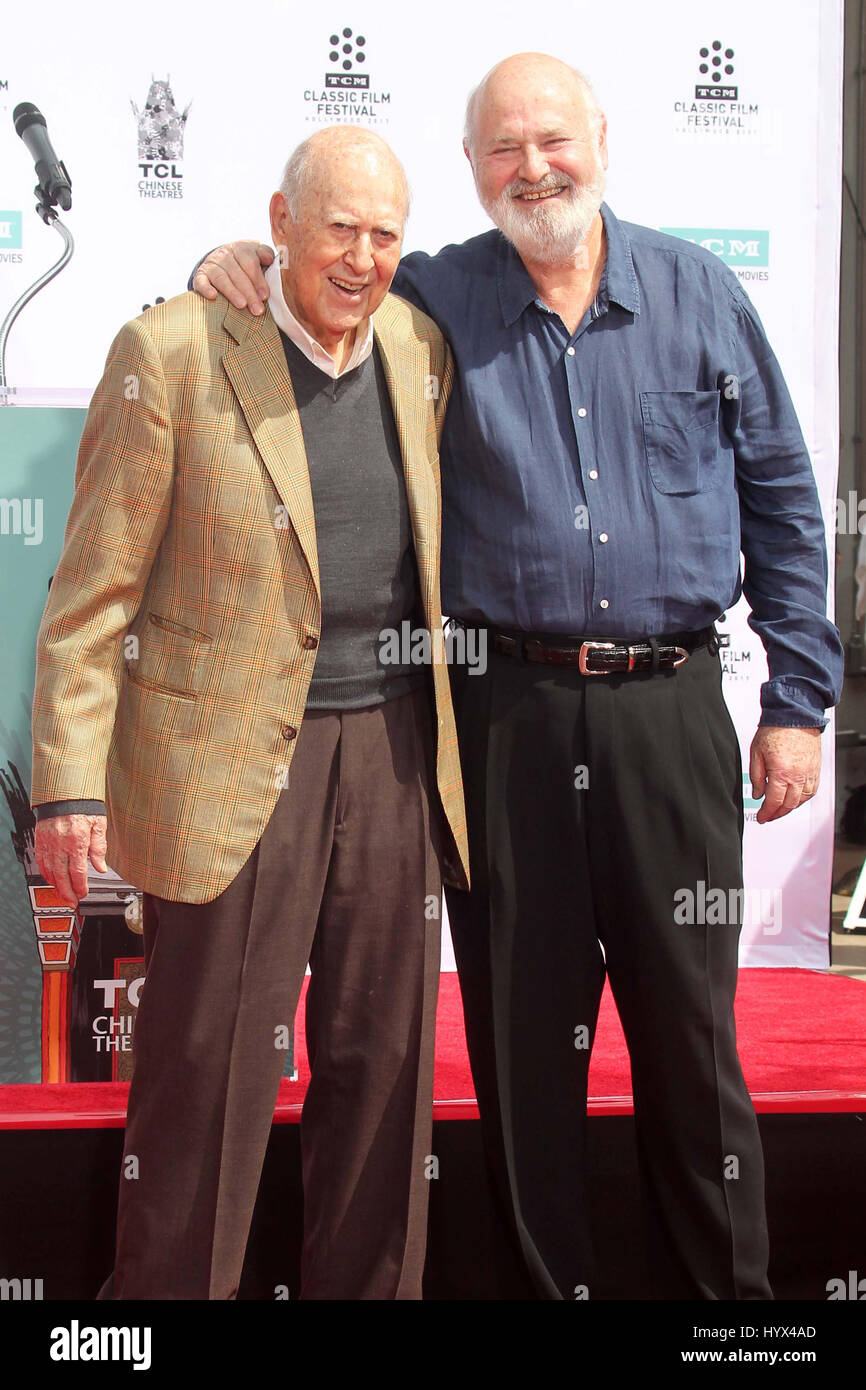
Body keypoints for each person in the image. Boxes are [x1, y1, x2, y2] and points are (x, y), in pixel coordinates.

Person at [191, 52, 844, 1300]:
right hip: (506, 723)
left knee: (694, 1048)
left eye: (552, 138)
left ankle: (731, 1322)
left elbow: (781, 496)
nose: (532, 165)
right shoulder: (434, 296)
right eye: (502, 147)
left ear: (600, 138)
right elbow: (310, 289)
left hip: (668, 716)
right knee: (522, 1061)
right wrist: (226, 264)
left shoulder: (700, 293)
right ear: (473, 169)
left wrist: (798, 702)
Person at [30, 126, 469, 1301]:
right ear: (277, 220)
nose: (363, 257)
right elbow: (88, 597)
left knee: (384, 1077)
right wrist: (69, 784)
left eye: (385, 235)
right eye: (338, 228)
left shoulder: (420, 345)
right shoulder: (171, 350)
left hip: (389, 757)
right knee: (203, 1086)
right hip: (225, 766)